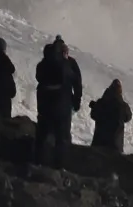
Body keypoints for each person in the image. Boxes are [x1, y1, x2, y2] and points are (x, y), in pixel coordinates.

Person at [34, 36, 80, 168]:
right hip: (62, 105)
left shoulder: (43, 63)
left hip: (44, 104)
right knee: (62, 137)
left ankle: (38, 162)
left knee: (42, 134)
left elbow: (38, 77)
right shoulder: (68, 64)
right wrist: (76, 101)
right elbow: (76, 81)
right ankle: (60, 166)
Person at [89, 79, 133, 153]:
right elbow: (128, 117)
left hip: (99, 143)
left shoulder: (101, 102)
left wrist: (95, 106)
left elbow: (93, 115)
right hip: (115, 147)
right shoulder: (123, 106)